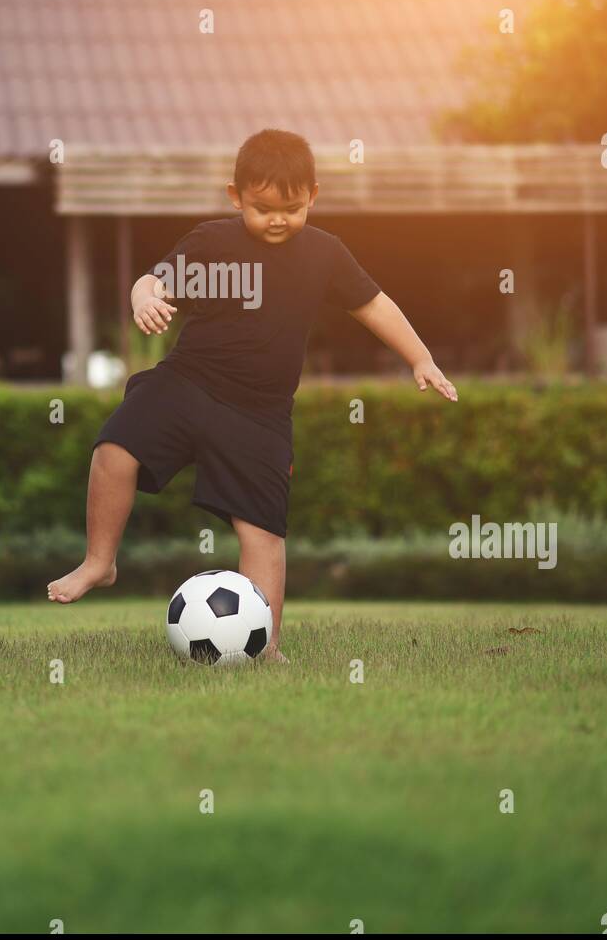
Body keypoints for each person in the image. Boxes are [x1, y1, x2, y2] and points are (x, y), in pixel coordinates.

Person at [48, 128, 457, 660]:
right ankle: (100, 562)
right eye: (263, 208)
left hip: (260, 414)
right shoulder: (212, 242)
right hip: (186, 383)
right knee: (113, 450)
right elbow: (153, 281)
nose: (278, 220)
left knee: (262, 530)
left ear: (313, 194)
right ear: (235, 196)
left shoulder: (325, 254)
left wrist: (420, 358)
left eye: (291, 207)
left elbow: (375, 304)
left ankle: (266, 645)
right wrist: (144, 299)